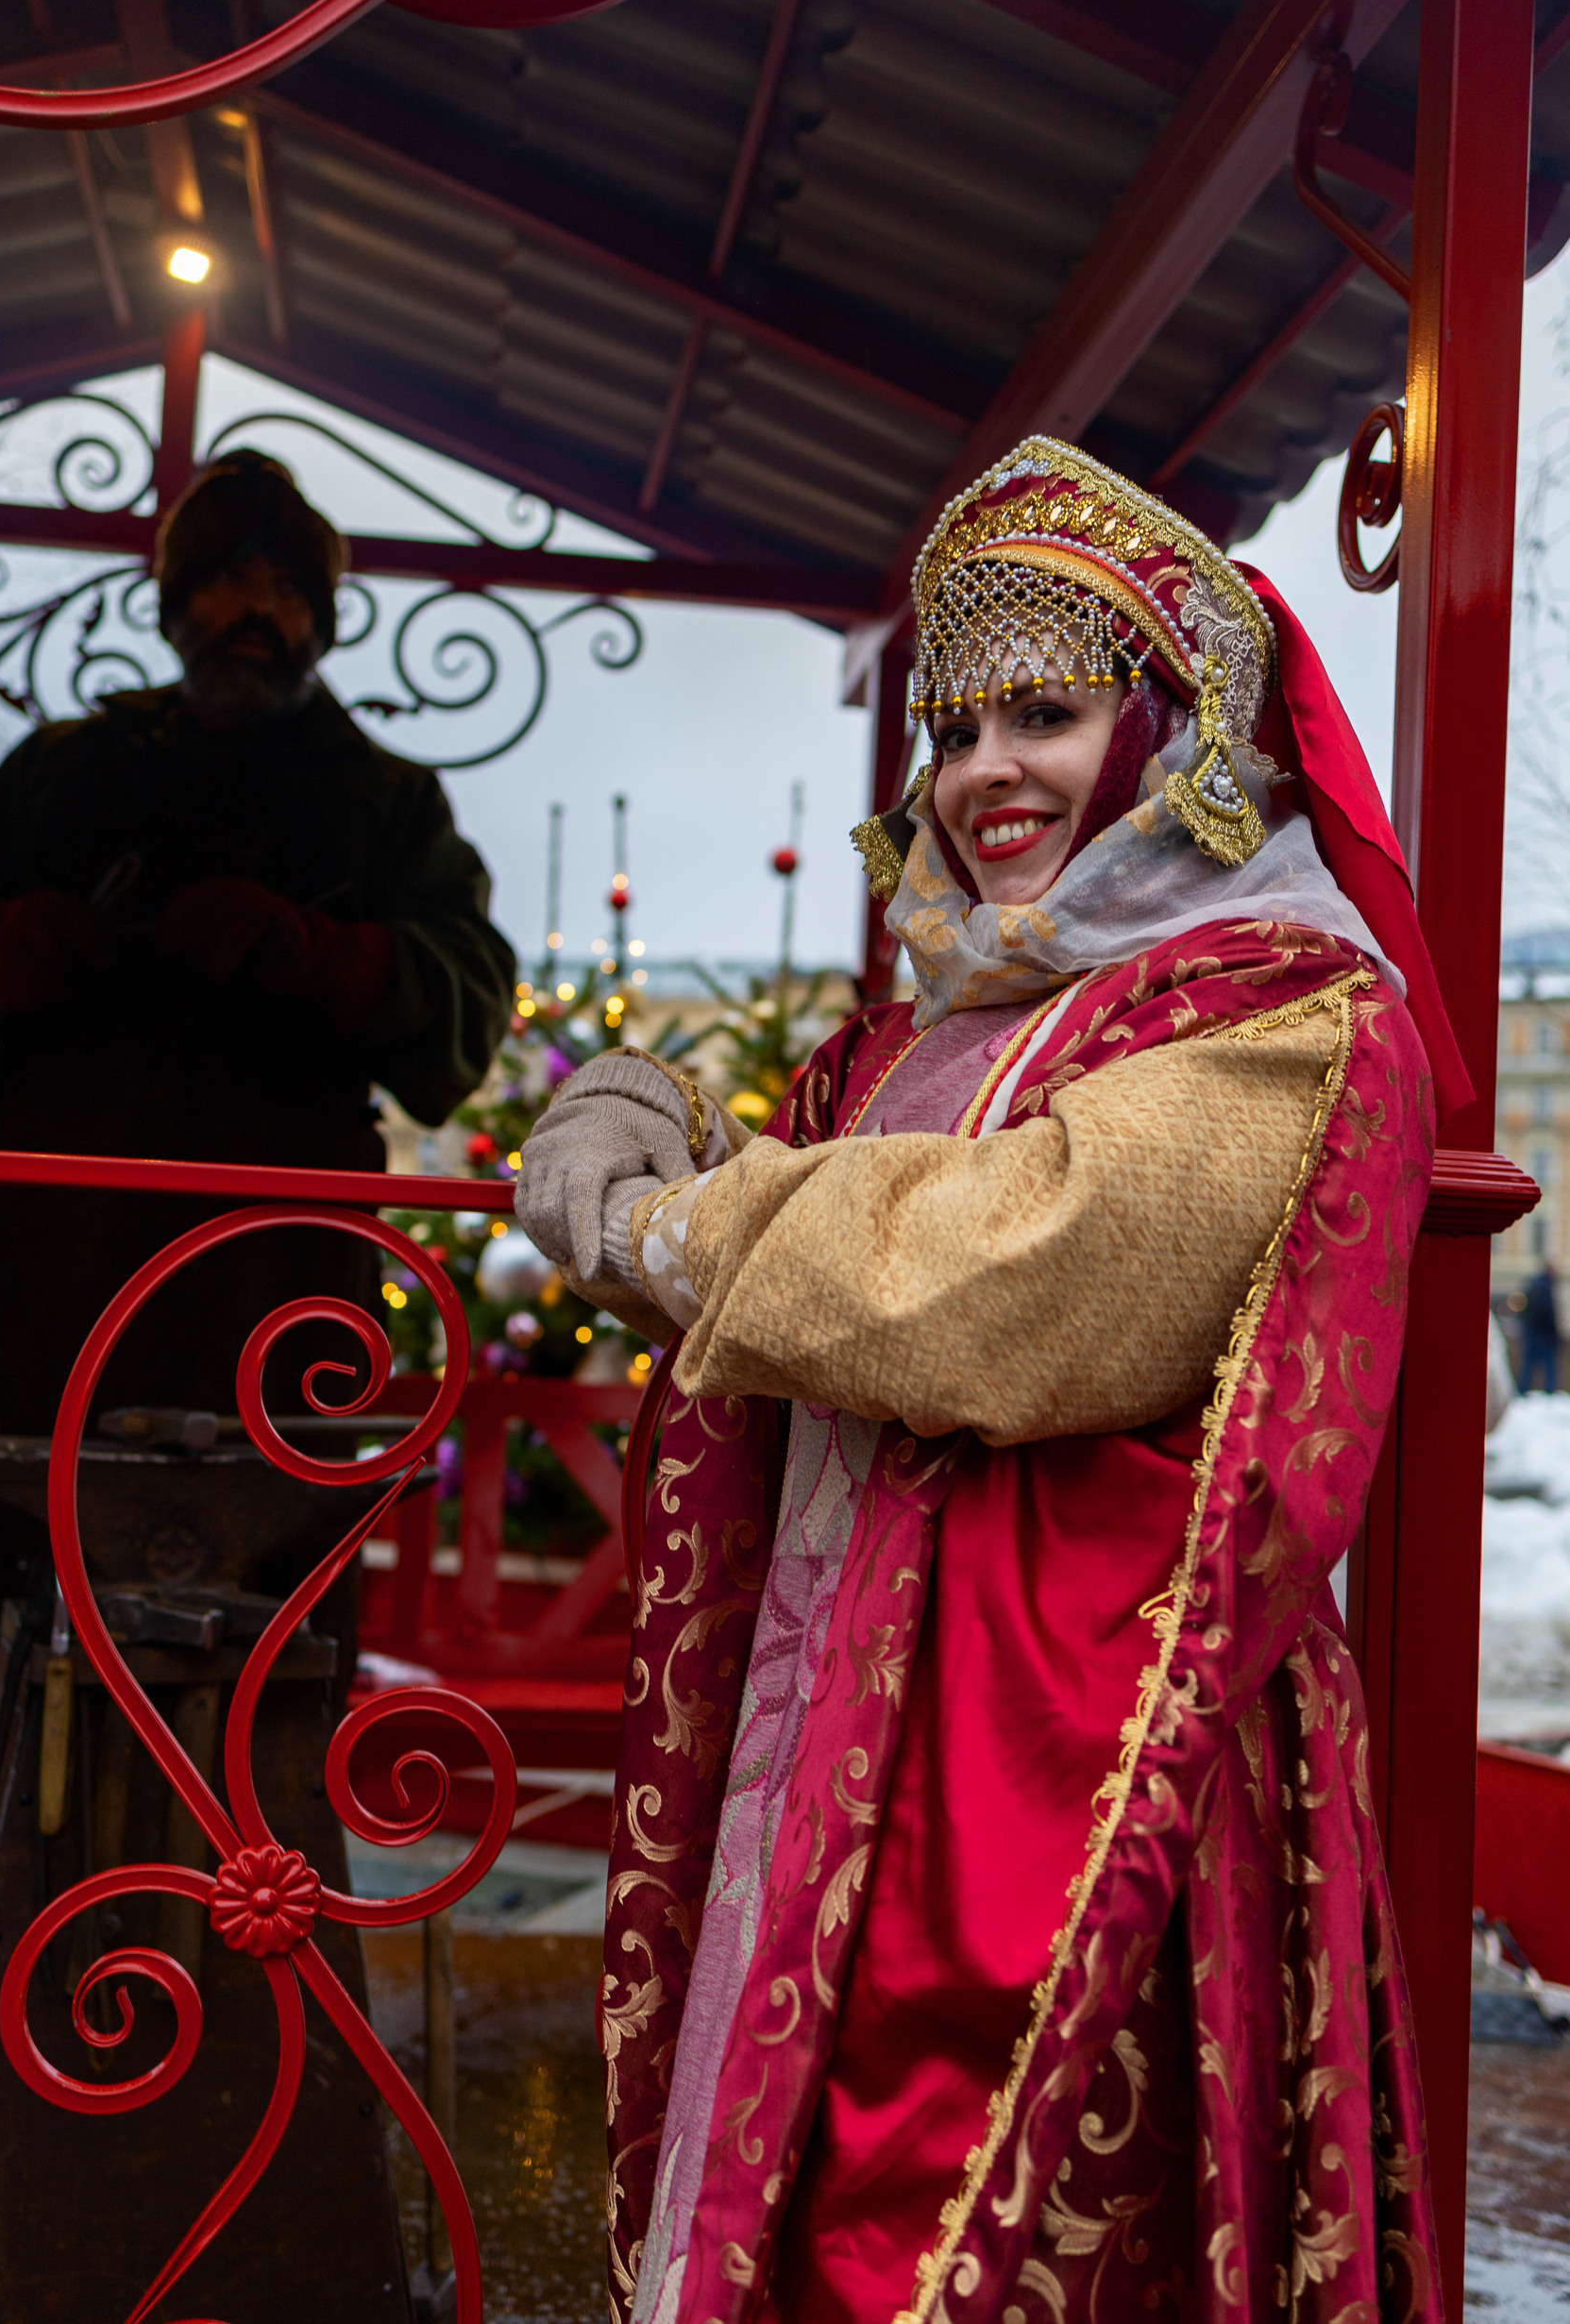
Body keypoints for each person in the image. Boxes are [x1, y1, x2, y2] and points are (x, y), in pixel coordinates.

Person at [518, 438, 1468, 2324]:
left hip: (1077, 1767)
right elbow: (802, 1188)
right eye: (952, 730)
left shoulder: (1283, 1007)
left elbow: (1005, 1275)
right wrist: (632, 1107)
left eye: (1044, 712)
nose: (983, 774)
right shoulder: (924, 1029)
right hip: (835, 1741)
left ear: (1173, 731)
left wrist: (675, 1222)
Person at [0, 449, 514, 1748]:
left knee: (268, 1619)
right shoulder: (57, 773)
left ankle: (254, 1864)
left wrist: (325, 956)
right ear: (174, 605)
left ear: (321, 618)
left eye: (286, 588)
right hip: (36, 1274)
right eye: (225, 581)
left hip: (272, 1279)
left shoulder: (387, 802)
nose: (257, 609)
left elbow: (468, 1007)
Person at [1520, 1262, 1560, 1393]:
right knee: (1549, 1365)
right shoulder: (1545, 1286)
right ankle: (1549, 1392)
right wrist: (1554, 1333)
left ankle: (1523, 1390)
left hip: (1531, 1332)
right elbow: (1548, 1312)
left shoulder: (1534, 1284)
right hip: (1543, 1334)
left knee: (1528, 1365)